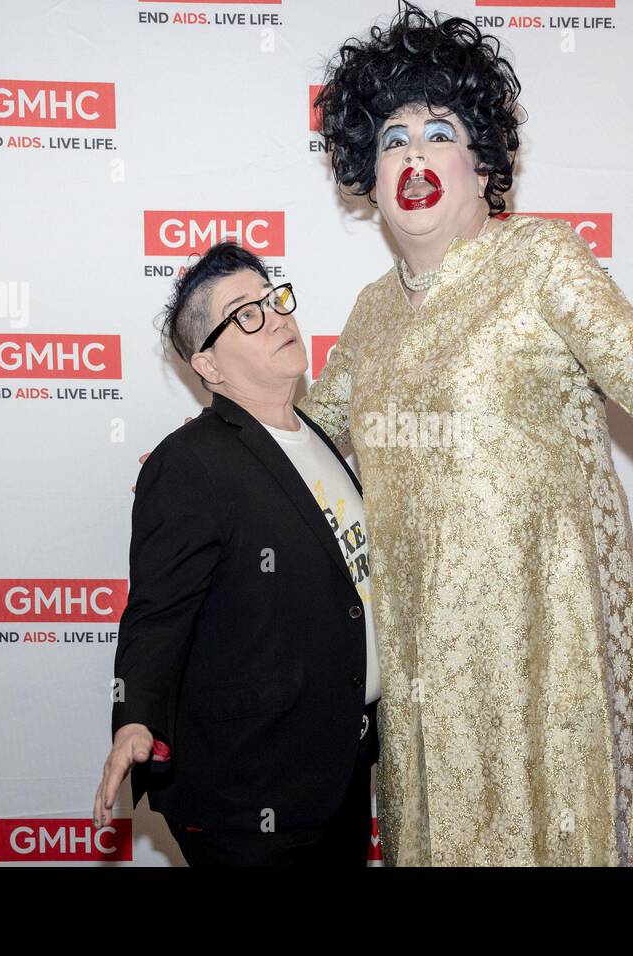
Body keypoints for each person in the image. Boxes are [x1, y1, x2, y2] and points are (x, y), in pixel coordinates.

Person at [295, 3, 633, 865]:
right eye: (392, 137)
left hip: (542, 651)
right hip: (416, 667)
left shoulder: (541, 259)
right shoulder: (368, 318)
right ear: (366, 173)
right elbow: (310, 444)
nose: (413, 155)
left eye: (439, 131)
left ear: (483, 167)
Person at [94, 242, 380, 866]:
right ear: (208, 365)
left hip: (341, 777)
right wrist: (136, 719)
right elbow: (157, 613)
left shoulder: (321, 441)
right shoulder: (190, 461)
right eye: (244, 313)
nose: (275, 316)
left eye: (272, 299)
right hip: (252, 795)